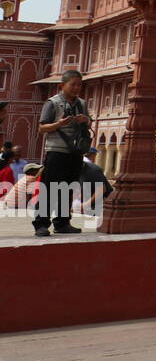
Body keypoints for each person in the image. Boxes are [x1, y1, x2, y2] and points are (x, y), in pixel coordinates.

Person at [33, 69, 92, 237]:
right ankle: (41, 224)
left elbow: (89, 123)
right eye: (72, 84)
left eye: (79, 85)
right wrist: (59, 123)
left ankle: (62, 222)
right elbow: (42, 128)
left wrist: (85, 120)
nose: (76, 88)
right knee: (51, 188)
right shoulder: (53, 102)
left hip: (76, 151)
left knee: (68, 188)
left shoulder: (81, 103)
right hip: (56, 151)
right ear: (62, 85)